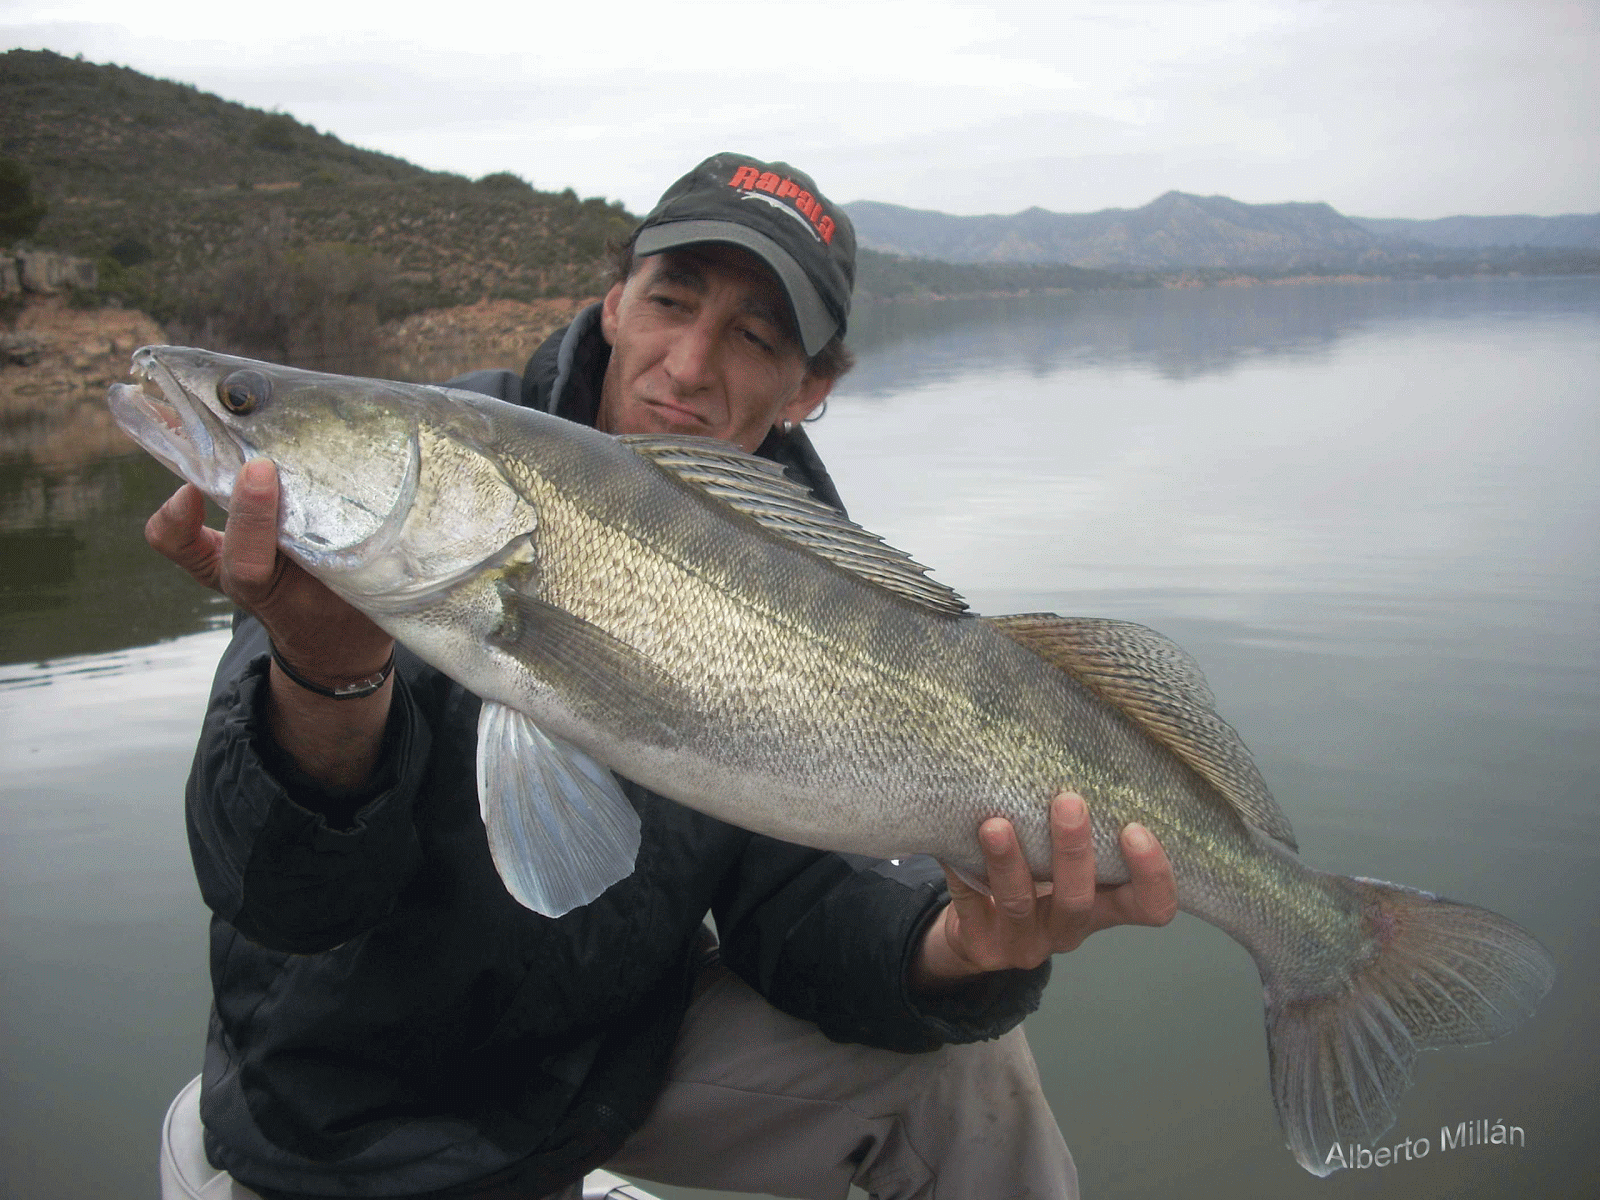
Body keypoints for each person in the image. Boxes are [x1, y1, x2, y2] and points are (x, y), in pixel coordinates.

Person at [148, 152, 1178, 1200]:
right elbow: (280, 897)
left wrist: (956, 946)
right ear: (612, 306)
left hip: (605, 1069)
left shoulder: (813, 578)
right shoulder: (410, 496)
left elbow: (806, 902)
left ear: (808, 388)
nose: (688, 364)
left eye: (753, 336)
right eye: (670, 301)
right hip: (345, 1118)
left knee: (972, 1070)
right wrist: (328, 674)